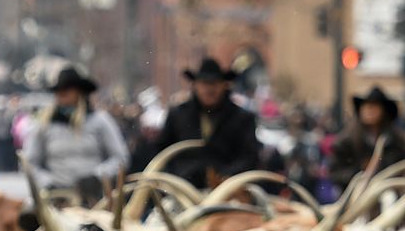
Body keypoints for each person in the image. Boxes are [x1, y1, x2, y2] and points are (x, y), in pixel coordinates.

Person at [152, 57, 262, 190]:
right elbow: (161, 151)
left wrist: (227, 176)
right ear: (195, 85)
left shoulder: (243, 118)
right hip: (182, 190)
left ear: (224, 85)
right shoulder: (177, 115)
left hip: (229, 191)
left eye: (214, 83)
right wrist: (175, 177)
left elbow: (250, 156)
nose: (209, 89)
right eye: (204, 83)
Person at [24, 66, 127, 203]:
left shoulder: (100, 121)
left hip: (93, 198)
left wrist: (97, 177)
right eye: (59, 91)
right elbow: (30, 163)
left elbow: (120, 158)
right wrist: (47, 183)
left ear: (79, 92)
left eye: (66, 90)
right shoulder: (44, 125)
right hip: (55, 197)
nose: (61, 94)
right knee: (25, 218)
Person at [327, 86, 405, 190]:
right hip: (357, 197)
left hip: (390, 194)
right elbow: (335, 173)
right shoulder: (347, 142)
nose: (369, 110)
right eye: (365, 105)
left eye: (374, 105)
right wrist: (359, 174)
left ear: (383, 111)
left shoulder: (397, 141)